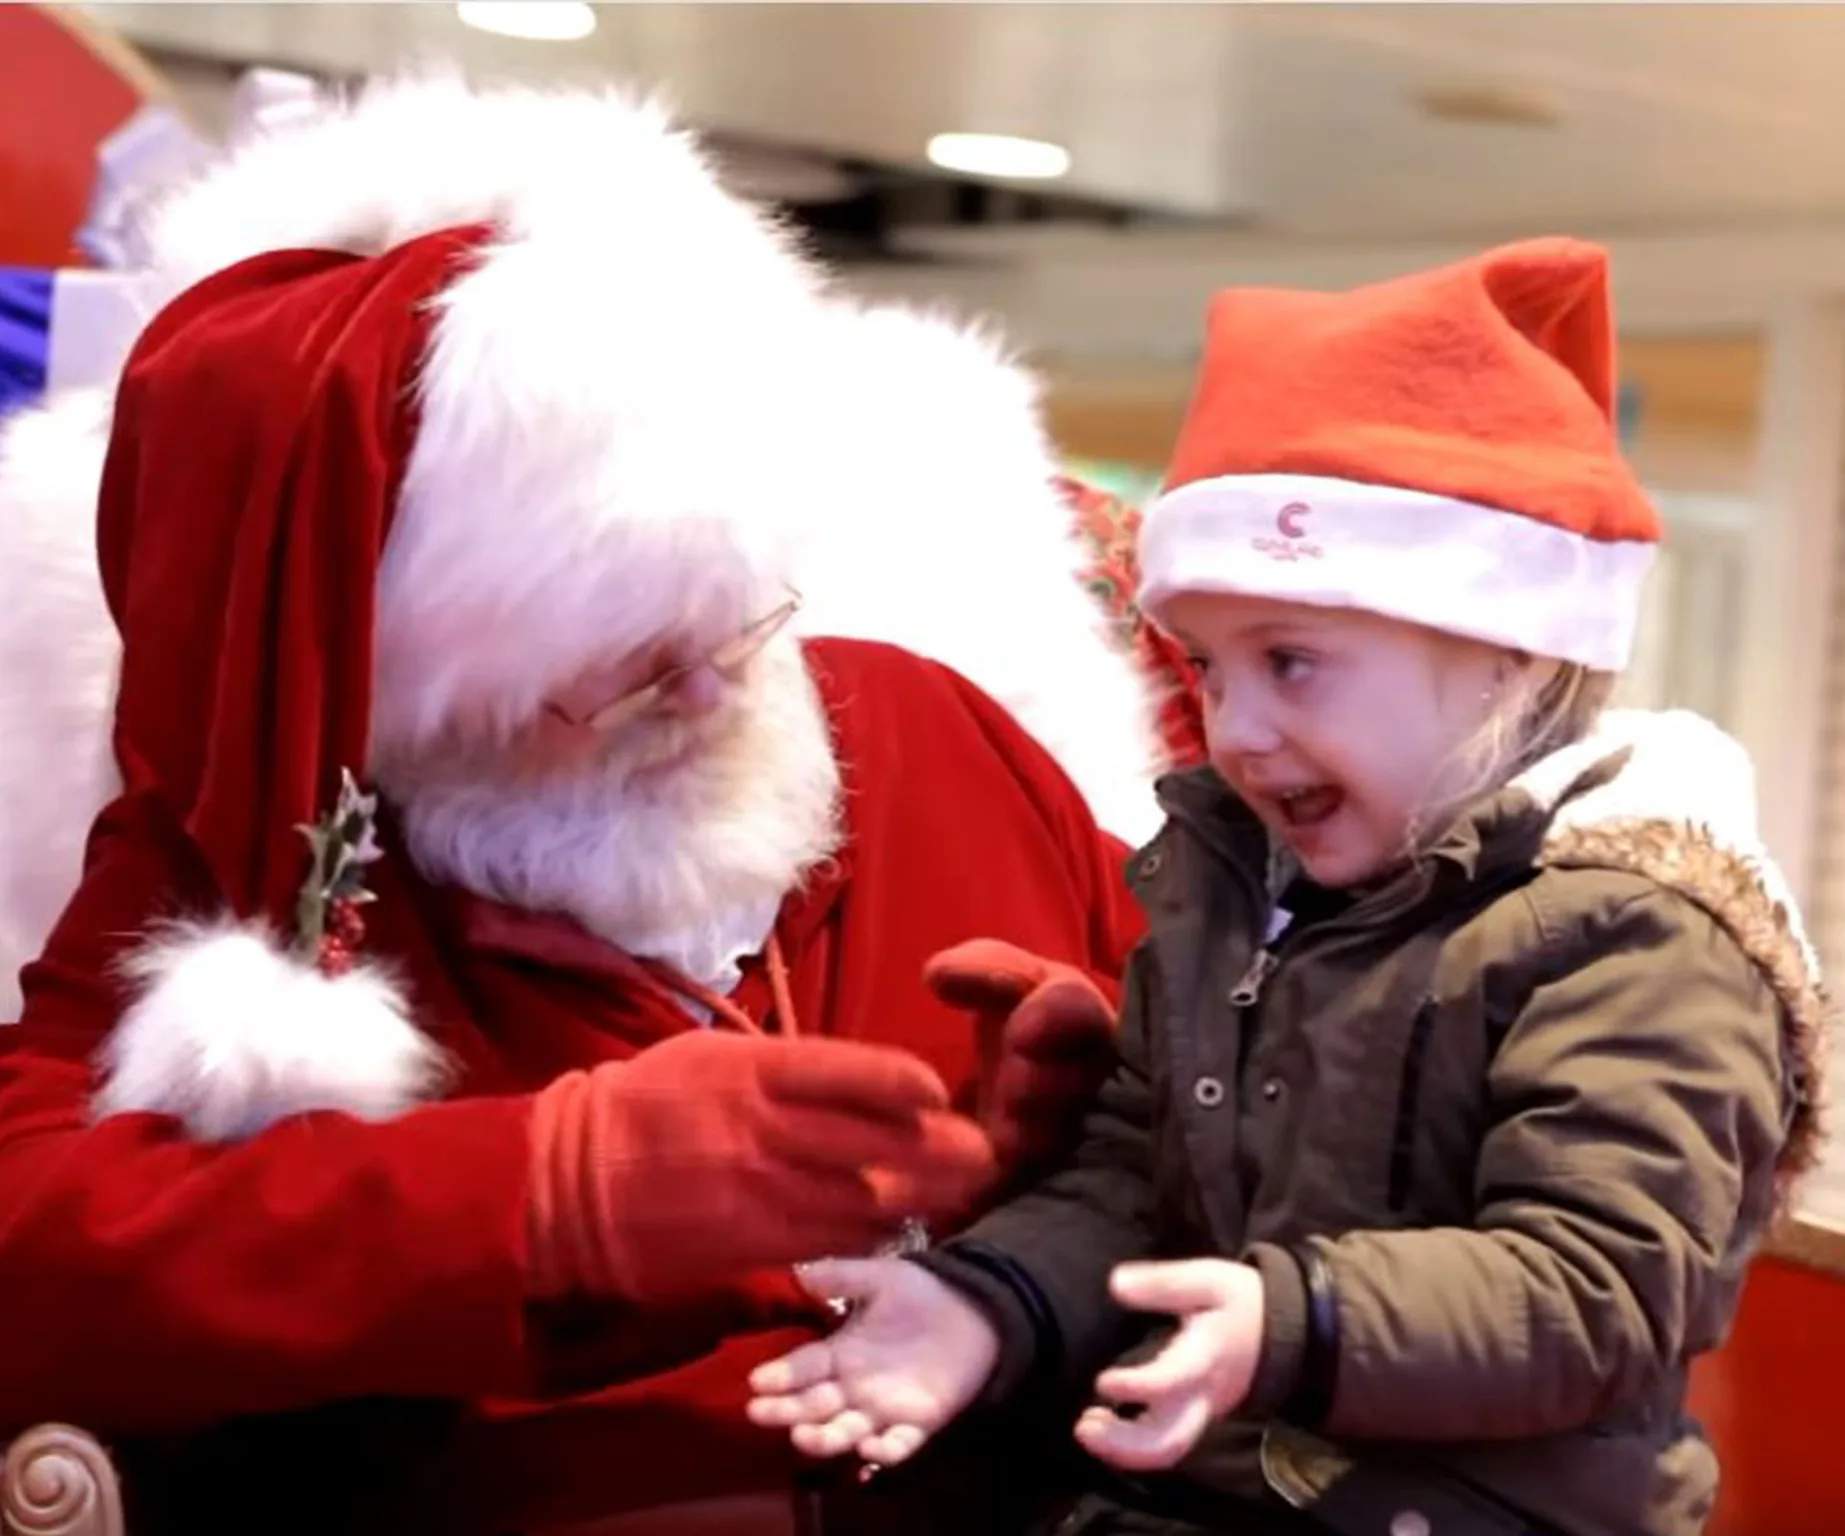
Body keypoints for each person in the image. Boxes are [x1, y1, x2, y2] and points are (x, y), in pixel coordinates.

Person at [0, 74, 1177, 1535]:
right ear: (423, 702)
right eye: (621, 677)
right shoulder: (264, 859)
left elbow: (1283, 1147)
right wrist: (546, 1194)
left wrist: (1105, 1120)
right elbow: (31, 1251)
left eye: (736, 627)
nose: (711, 699)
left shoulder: (938, 731)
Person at [746, 237, 1826, 1536]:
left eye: (1293, 662)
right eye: (1208, 667)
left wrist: (1291, 1319)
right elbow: (1135, 1183)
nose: (1235, 727)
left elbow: (1599, 1292)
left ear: (1504, 657)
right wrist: (990, 1305)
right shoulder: (1235, 890)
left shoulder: (1636, 933)